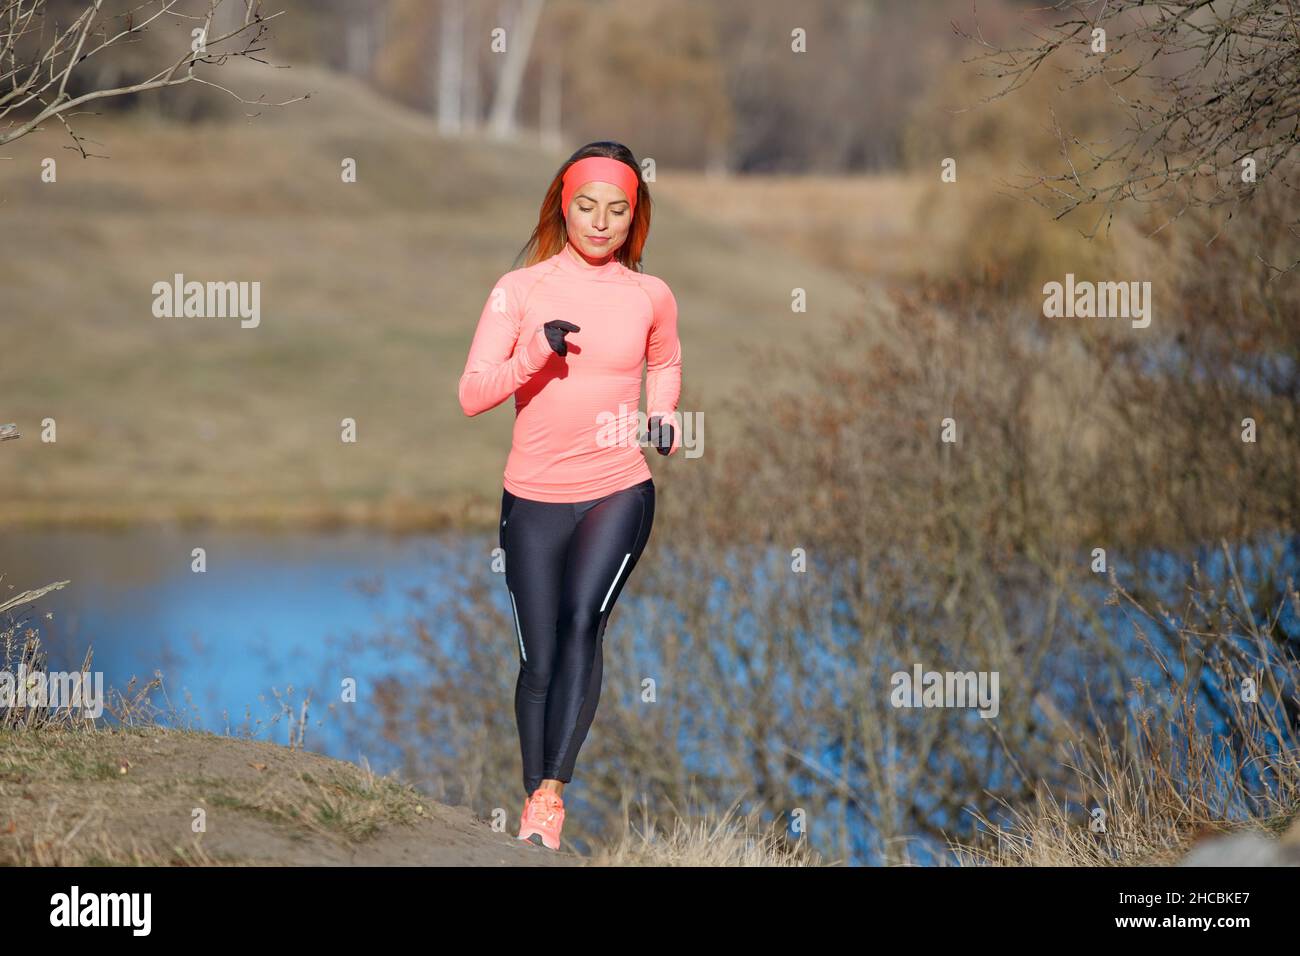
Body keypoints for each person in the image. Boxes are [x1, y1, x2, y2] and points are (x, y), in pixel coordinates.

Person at [457, 142, 683, 851]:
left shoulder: (650, 294)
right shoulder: (518, 290)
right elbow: (471, 395)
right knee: (539, 657)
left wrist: (665, 415)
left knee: (586, 620)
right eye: (587, 205)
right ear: (564, 203)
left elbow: (665, 358)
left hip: (618, 487)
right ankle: (532, 788)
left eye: (617, 210)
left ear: (633, 216)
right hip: (532, 497)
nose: (600, 221)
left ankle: (550, 800)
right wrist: (537, 355)